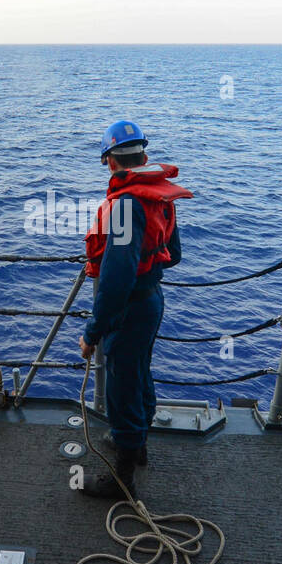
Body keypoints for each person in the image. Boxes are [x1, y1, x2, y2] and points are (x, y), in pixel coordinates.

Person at [77, 121, 192, 499]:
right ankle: (136, 445)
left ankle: (123, 481)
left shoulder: (125, 206)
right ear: (143, 156)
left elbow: (115, 280)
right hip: (152, 300)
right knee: (140, 372)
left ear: (110, 162)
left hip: (129, 309)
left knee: (122, 386)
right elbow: (173, 255)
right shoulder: (159, 194)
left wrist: (93, 331)